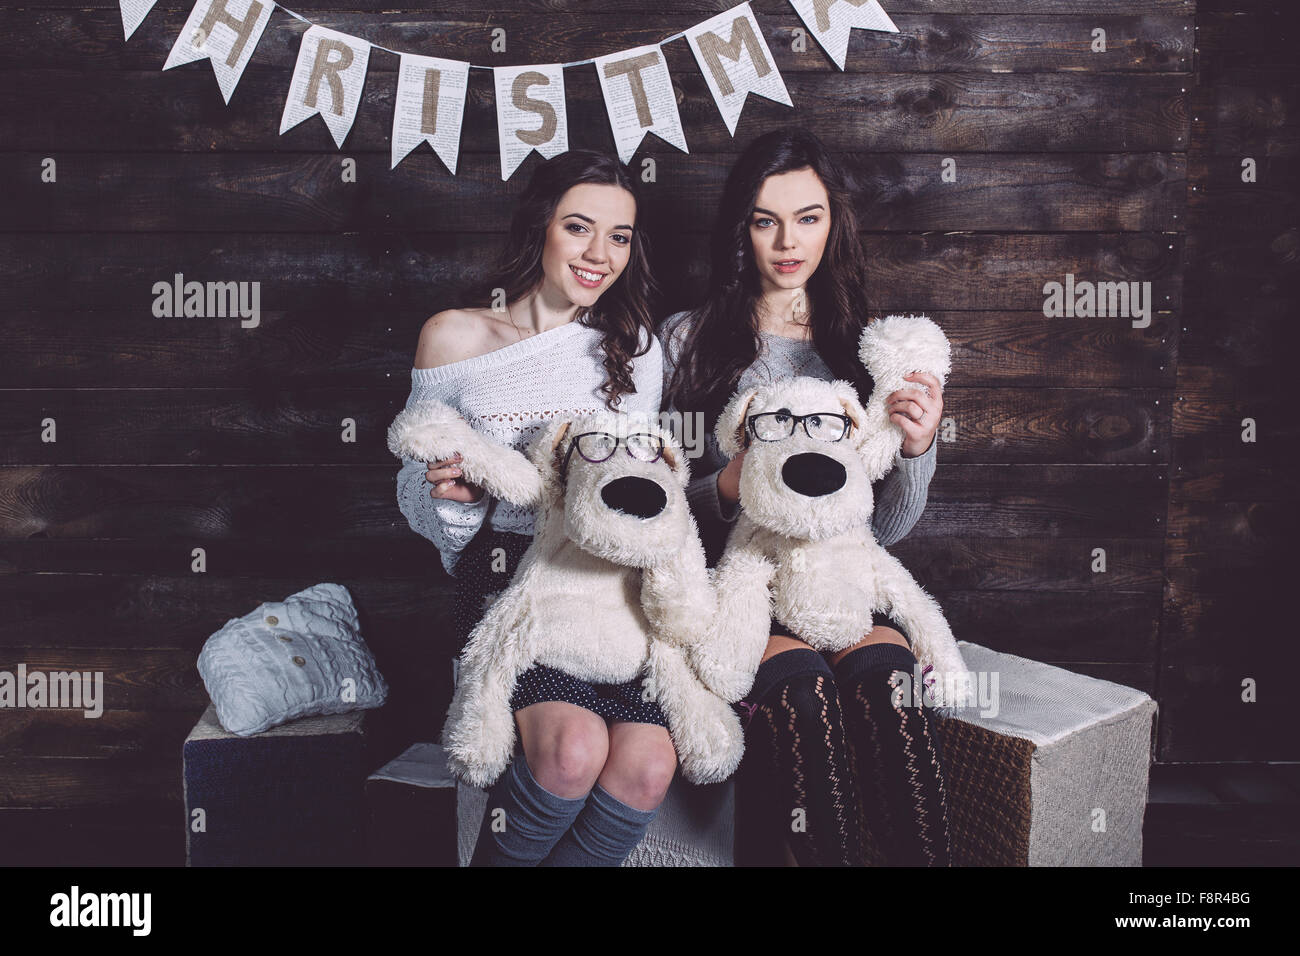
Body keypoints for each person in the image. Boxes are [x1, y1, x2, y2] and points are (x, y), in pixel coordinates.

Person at [660, 126, 953, 866]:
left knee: (891, 689)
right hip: (742, 589)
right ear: (740, 229)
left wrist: (915, 451)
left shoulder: (862, 348)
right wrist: (727, 482)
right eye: (765, 220)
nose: (787, 241)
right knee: (803, 695)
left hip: (840, 582)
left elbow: (884, 531)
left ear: (834, 221)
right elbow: (656, 512)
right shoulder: (684, 341)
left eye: (808, 217)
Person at [395, 149, 673, 866]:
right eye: (579, 228)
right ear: (539, 225)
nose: (599, 254)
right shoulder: (455, 335)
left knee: (646, 765)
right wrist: (452, 502)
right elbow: (412, 478)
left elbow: (642, 493)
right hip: (507, 577)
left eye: (619, 236)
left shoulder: (634, 353)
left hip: (611, 589)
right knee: (572, 751)